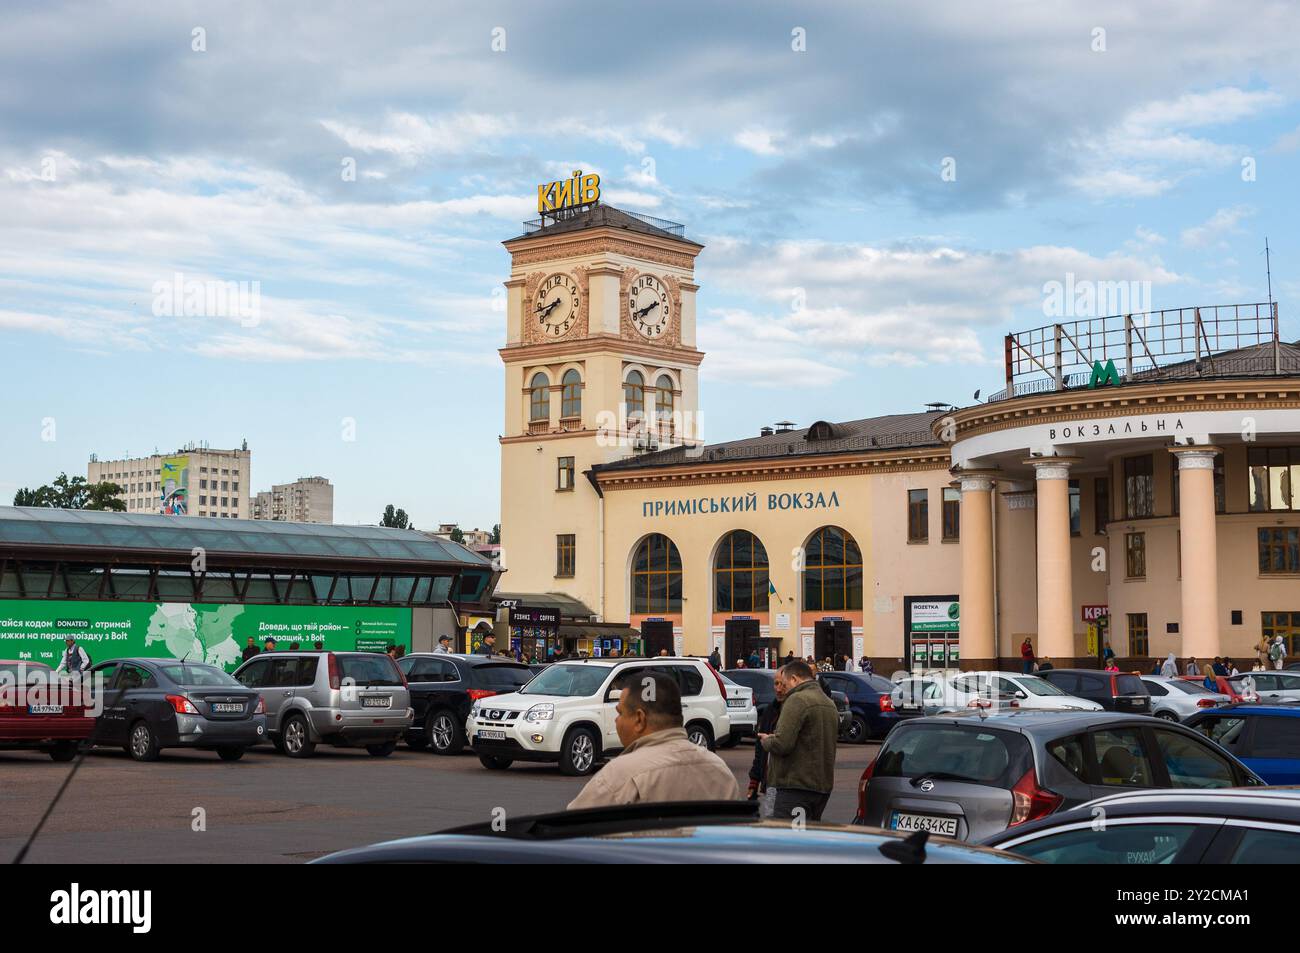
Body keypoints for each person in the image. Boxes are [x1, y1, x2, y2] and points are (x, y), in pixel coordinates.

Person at [567, 672, 738, 809]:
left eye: (620, 713)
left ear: (640, 719)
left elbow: (570, 835)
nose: (616, 721)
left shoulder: (620, 775)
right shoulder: (720, 770)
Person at [758, 660, 839, 823]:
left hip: (794, 787)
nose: (783, 689)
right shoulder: (829, 703)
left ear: (794, 679)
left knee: (785, 841)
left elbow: (782, 744)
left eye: (785, 684)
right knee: (806, 841)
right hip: (821, 788)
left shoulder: (797, 700)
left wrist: (767, 741)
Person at [747, 670, 790, 816]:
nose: (778, 689)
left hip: (788, 786)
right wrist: (754, 783)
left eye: (783, 685)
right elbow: (760, 750)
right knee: (773, 827)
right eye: (776, 683)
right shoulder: (770, 711)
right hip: (771, 784)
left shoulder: (795, 711)